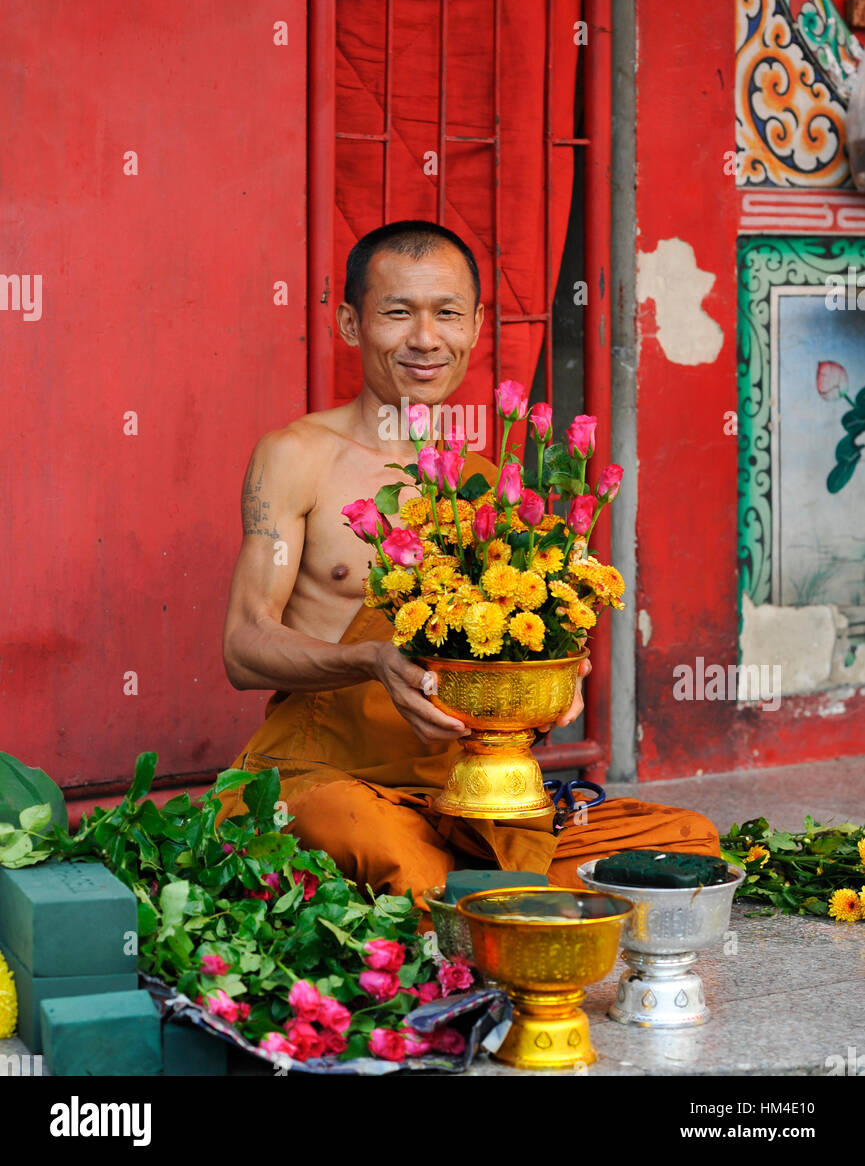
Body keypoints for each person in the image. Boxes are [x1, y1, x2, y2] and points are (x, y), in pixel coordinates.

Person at [217, 220, 720, 899]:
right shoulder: (295, 456)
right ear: (348, 322)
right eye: (397, 312)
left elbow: (515, 643)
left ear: (476, 326)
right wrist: (369, 660)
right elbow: (243, 648)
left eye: (446, 313)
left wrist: (558, 678)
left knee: (681, 839)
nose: (425, 339)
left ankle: (468, 889)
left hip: (463, 789)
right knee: (366, 835)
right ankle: (474, 890)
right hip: (331, 777)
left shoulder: (482, 482)